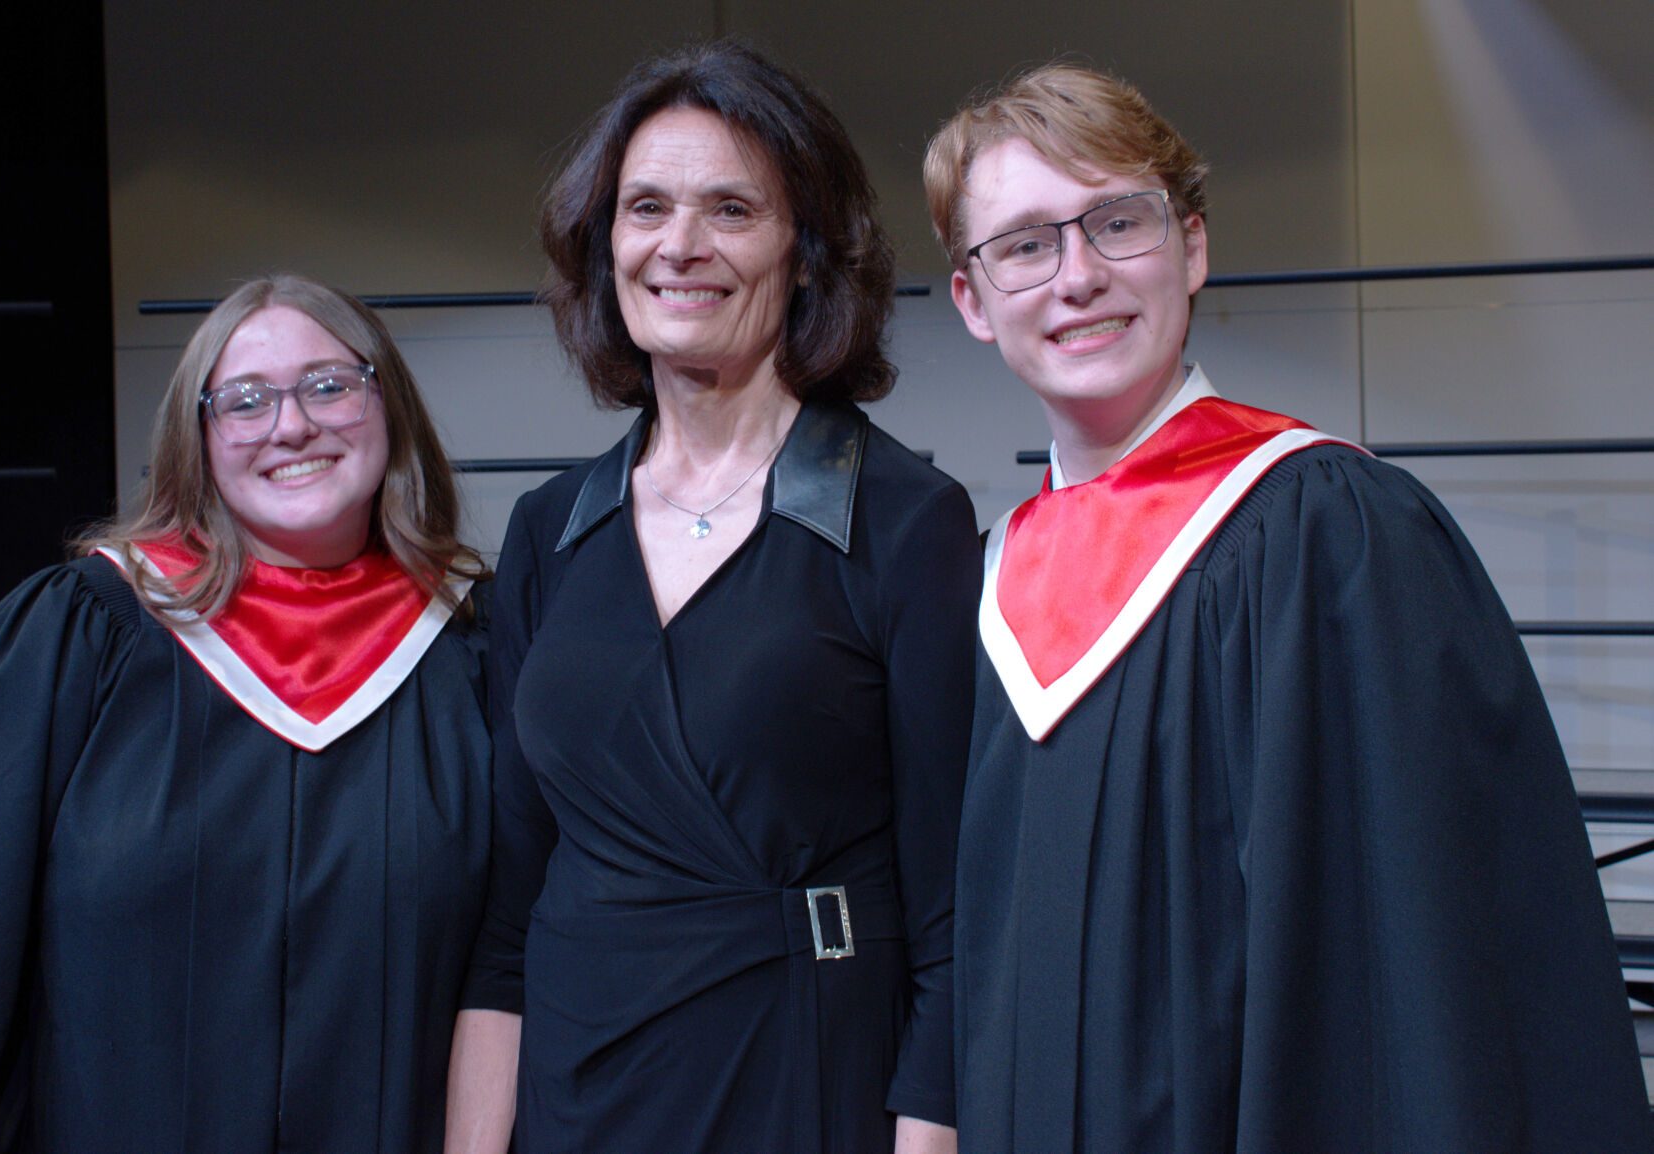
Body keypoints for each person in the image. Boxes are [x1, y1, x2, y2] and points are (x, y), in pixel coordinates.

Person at [923, 62, 1651, 1152]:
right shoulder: (997, 577)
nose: (1077, 275)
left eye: (1120, 221)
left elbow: (1407, 984)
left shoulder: (1330, 529)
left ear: (1193, 246)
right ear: (975, 301)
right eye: (1026, 242)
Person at [449, 41, 978, 1154]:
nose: (679, 245)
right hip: (576, 1090)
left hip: (802, 1073)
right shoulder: (551, 529)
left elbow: (951, 927)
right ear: (605, 251)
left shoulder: (905, 519)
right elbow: (507, 918)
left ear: (807, 253)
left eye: (731, 209)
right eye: (645, 209)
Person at [0, 274, 492, 1153]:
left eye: (328, 384)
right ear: (198, 438)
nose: (290, 424)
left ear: (387, 402)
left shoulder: (476, 656)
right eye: (244, 401)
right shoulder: (78, 638)